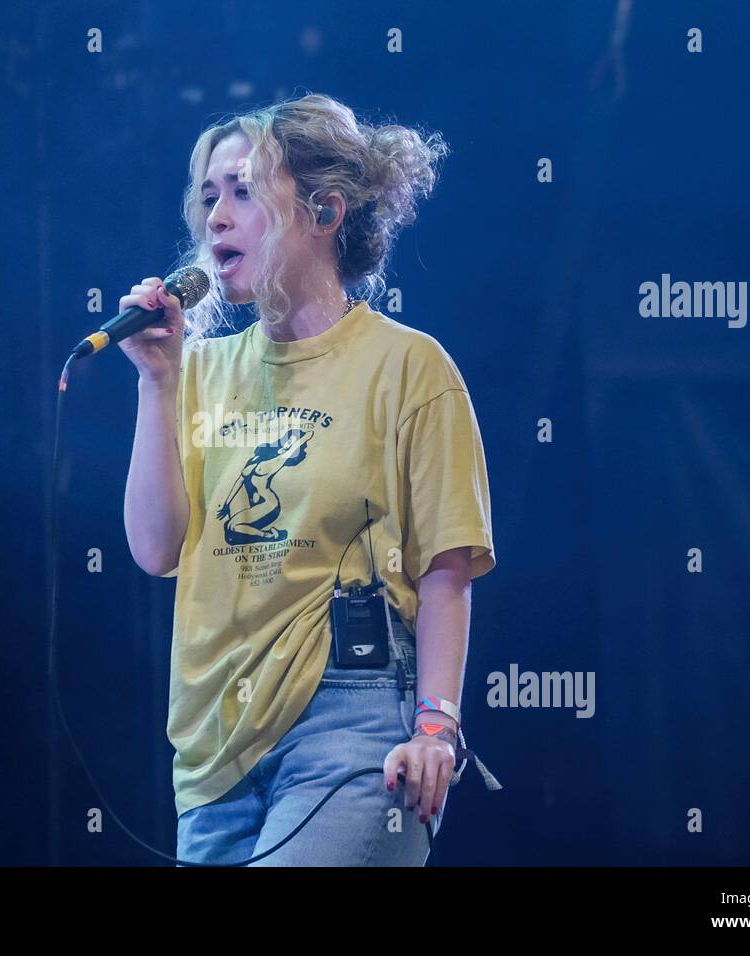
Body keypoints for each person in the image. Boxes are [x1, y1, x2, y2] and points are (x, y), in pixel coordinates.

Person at [118, 93, 496, 866]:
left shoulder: (408, 367)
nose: (216, 216)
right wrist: (156, 382)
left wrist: (436, 728)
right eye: (208, 195)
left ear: (324, 212)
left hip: (352, 726)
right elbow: (155, 549)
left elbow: (447, 573)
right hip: (214, 746)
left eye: (245, 190)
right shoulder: (197, 371)